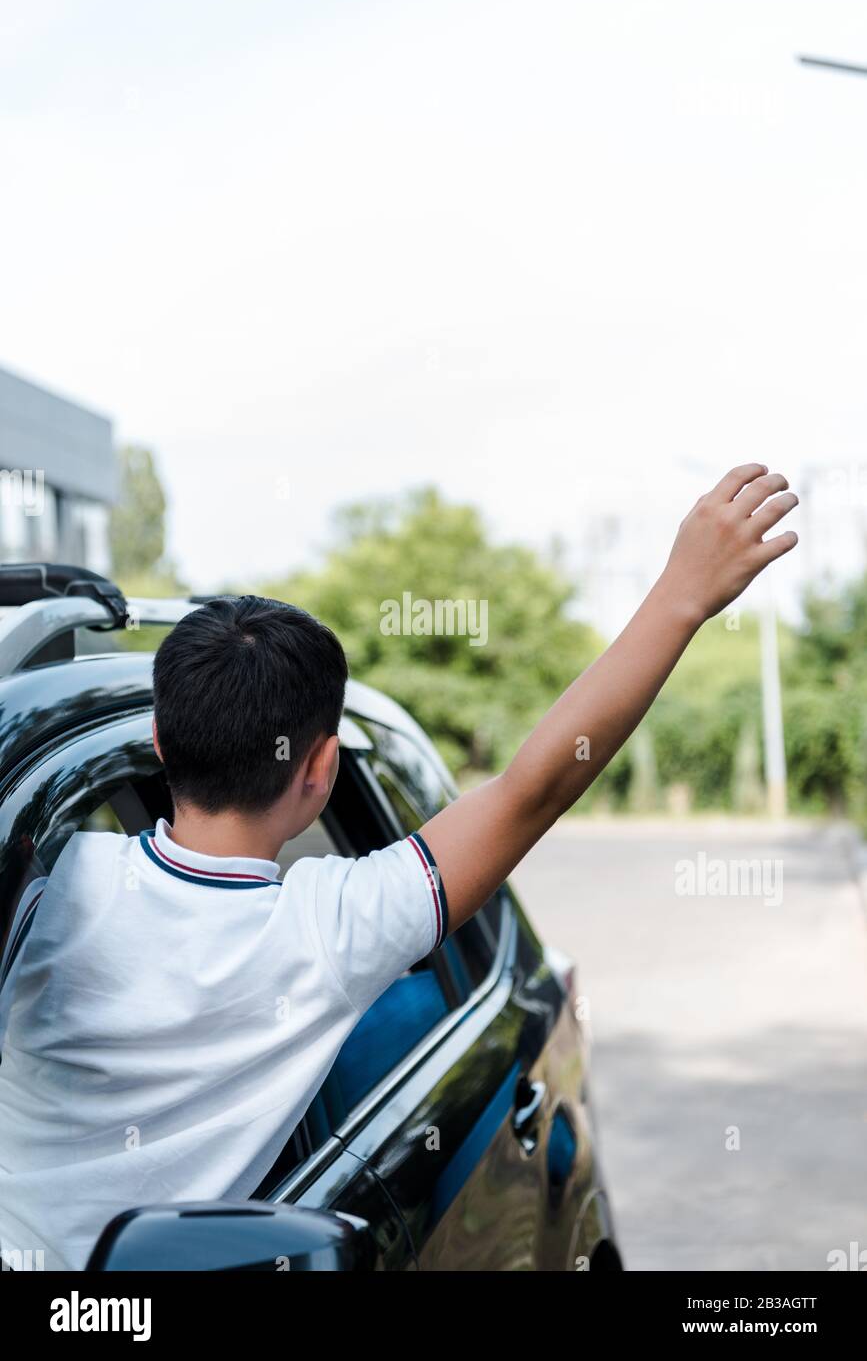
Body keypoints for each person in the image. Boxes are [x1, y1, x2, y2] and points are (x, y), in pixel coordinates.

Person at [0, 463, 797, 1270]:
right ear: (321, 770)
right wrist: (681, 595)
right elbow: (535, 787)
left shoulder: (48, 879)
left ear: (162, 744)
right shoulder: (334, 929)